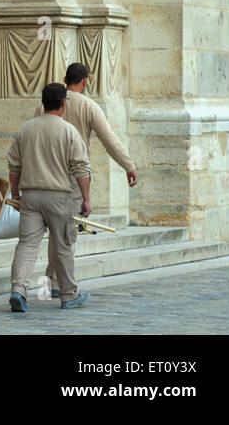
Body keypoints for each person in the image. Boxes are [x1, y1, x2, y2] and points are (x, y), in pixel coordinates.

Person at [34, 61, 137, 296]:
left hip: (44, 174)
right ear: (84, 81)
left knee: (58, 232)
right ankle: (60, 284)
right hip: (73, 178)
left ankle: (53, 278)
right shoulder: (88, 106)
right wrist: (128, 166)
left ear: (65, 79)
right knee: (66, 233)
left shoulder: (44, 105)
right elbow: (109, 139)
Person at [7, 83, 91, 312]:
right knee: (62, 245)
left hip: (31, 196)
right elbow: (81, 168)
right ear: (63, 103)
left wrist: (15, 193)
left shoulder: (26, 129)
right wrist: (86, 198)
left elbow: (14, 164)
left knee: (26, 245)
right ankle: (68, 294)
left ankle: (18, 290)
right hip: (58, 197)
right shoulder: (68, 131)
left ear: (43, 102)